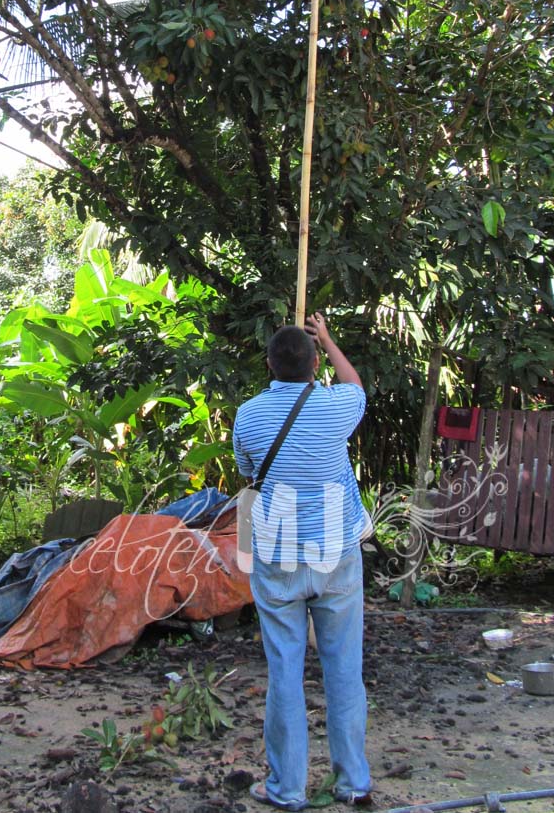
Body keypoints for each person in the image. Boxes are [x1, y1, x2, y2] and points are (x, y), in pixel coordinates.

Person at [232, 311, 372, 811]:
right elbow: (356, 385)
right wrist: (330, 340)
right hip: (336, 551)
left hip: (277, 553)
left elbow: (250, 472)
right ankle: (353, 783)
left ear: (269, 365)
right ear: (316, 365)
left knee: (285, 673)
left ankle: (286, 790)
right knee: (343, 670)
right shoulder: (337, 406)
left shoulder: (248, 415)